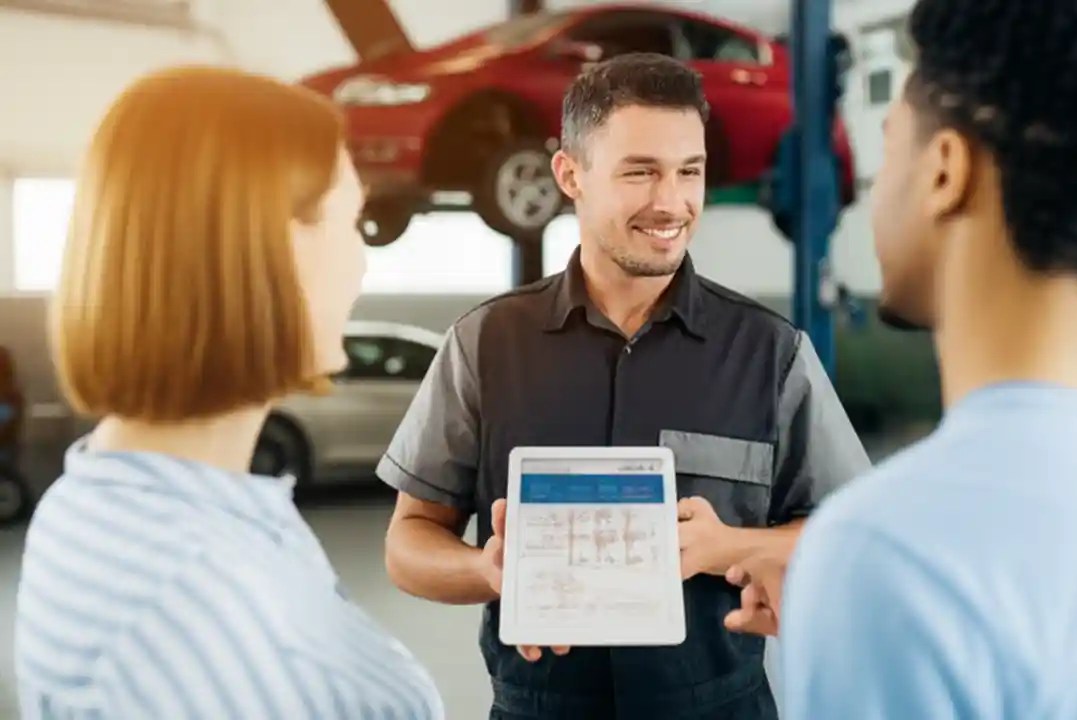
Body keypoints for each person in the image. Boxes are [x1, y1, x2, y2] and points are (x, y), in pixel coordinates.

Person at [726, 0, 1077, 717]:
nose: (873, 200)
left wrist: (862, 601)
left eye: (891, 144)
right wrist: (857, 635)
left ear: (945, 170)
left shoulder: (890, 547)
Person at [377, 52, 871, 719]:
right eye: (640, 172)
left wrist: (737, 546)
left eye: (688, 172)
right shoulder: (485, 345)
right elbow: (408, 544)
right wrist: (488, 570)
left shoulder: (772, 354)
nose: (670, 203)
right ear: (569, 174)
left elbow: (850, 536)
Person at [13, 66, 446, 719]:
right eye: (351, 220)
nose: (361, 259)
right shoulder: (189, 605)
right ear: (264, 247)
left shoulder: (118, 496)